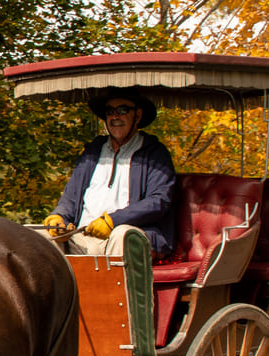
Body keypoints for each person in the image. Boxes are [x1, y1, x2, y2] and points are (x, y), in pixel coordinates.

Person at [42, 91, 177, 258]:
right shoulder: (92, 152)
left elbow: (158, 201)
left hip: (129, 235)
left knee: (122, 235)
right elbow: (71, 195)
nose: (115, 116)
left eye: (122, 110)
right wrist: (59, 216)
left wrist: (113, 220)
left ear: (138, 115)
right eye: (109, 111)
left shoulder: (155, 153)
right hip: (82, 236)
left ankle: (116, 285)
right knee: (37, 237)